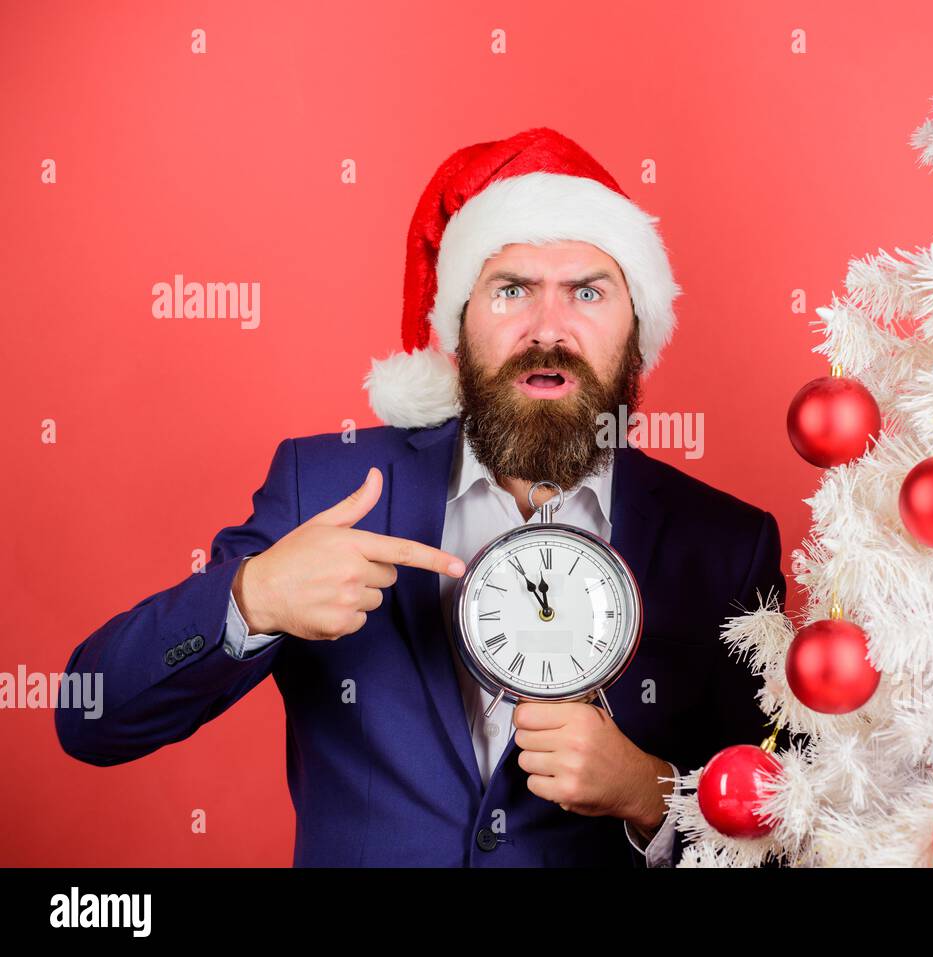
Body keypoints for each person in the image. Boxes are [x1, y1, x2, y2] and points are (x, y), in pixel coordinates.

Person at [55, 127, 785, 867]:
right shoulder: (327, 487)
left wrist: (652, 794)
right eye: (511, 291)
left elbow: (797, 831)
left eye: (587, 291)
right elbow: (91, 715)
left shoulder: (724, 545)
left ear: (638, 330)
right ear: (458, 326)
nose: (547, 330)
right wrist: (253, 597)